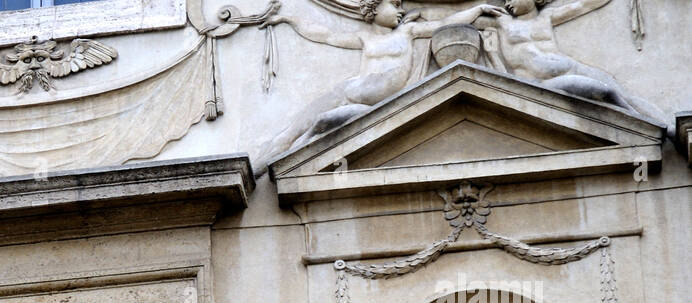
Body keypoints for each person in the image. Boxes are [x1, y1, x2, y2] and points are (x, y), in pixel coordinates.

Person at [258, 0, 506, 165]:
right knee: (295, 128)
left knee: (321, 123)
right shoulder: (364, 37)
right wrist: (289, 20)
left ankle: (288, 156)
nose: (399, 10)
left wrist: (478, 9)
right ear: (374, 9)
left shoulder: (407, 33)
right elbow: (325, 35)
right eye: (393, 4)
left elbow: (443, 24)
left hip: (371, 99)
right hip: (350, 90)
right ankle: (268, 159)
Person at [484, 0, 669, 130]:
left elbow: (584, 5)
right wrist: (480, 9)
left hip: (572, 67)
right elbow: (456, 22)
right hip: (543, 83)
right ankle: (644, 125)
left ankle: (669, 128)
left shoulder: (546, 17)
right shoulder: (503, 22)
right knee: (606, 92)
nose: (507, 3)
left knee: (623, 93)